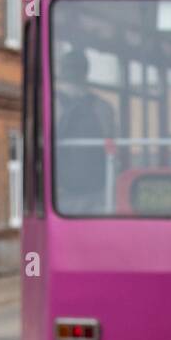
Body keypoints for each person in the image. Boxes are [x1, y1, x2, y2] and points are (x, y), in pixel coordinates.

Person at [54, 47, 116, 215]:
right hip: (96, 191)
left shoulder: (48, 105)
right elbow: (112, 150)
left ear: (61, 70)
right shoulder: (104, 108)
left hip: (58, 193)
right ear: (86, 72)